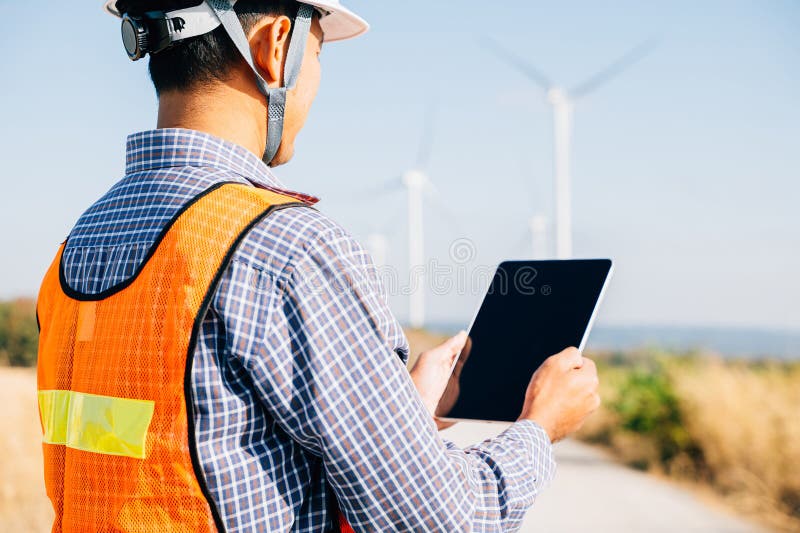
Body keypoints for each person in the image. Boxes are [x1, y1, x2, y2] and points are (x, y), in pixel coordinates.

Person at [35, 1, 601, 531]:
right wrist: (539, 428)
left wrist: (401, 407)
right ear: (275, 45)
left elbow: (183, 432)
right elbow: (434, 519)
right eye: (320, 53)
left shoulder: (77, 244)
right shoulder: (288, 248)